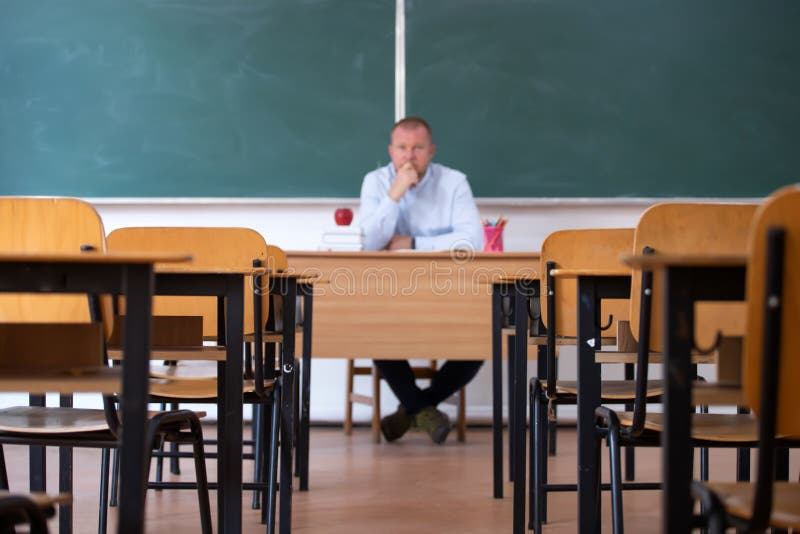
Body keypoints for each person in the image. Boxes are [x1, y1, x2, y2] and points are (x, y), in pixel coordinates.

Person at [359, 116, 484, 444]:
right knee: (371, 331)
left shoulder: (454, 182)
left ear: (431, 151)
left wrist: (412, 244)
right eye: (402, 148)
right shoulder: (375, 182)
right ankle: (422, 408)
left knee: (482, 338)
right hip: (390, 291)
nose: (409, 156)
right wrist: (394, 195)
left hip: (447, 288)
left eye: (417, 148)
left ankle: (413, 408)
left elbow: (472, 241)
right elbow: (367, 243)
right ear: (391, 150)